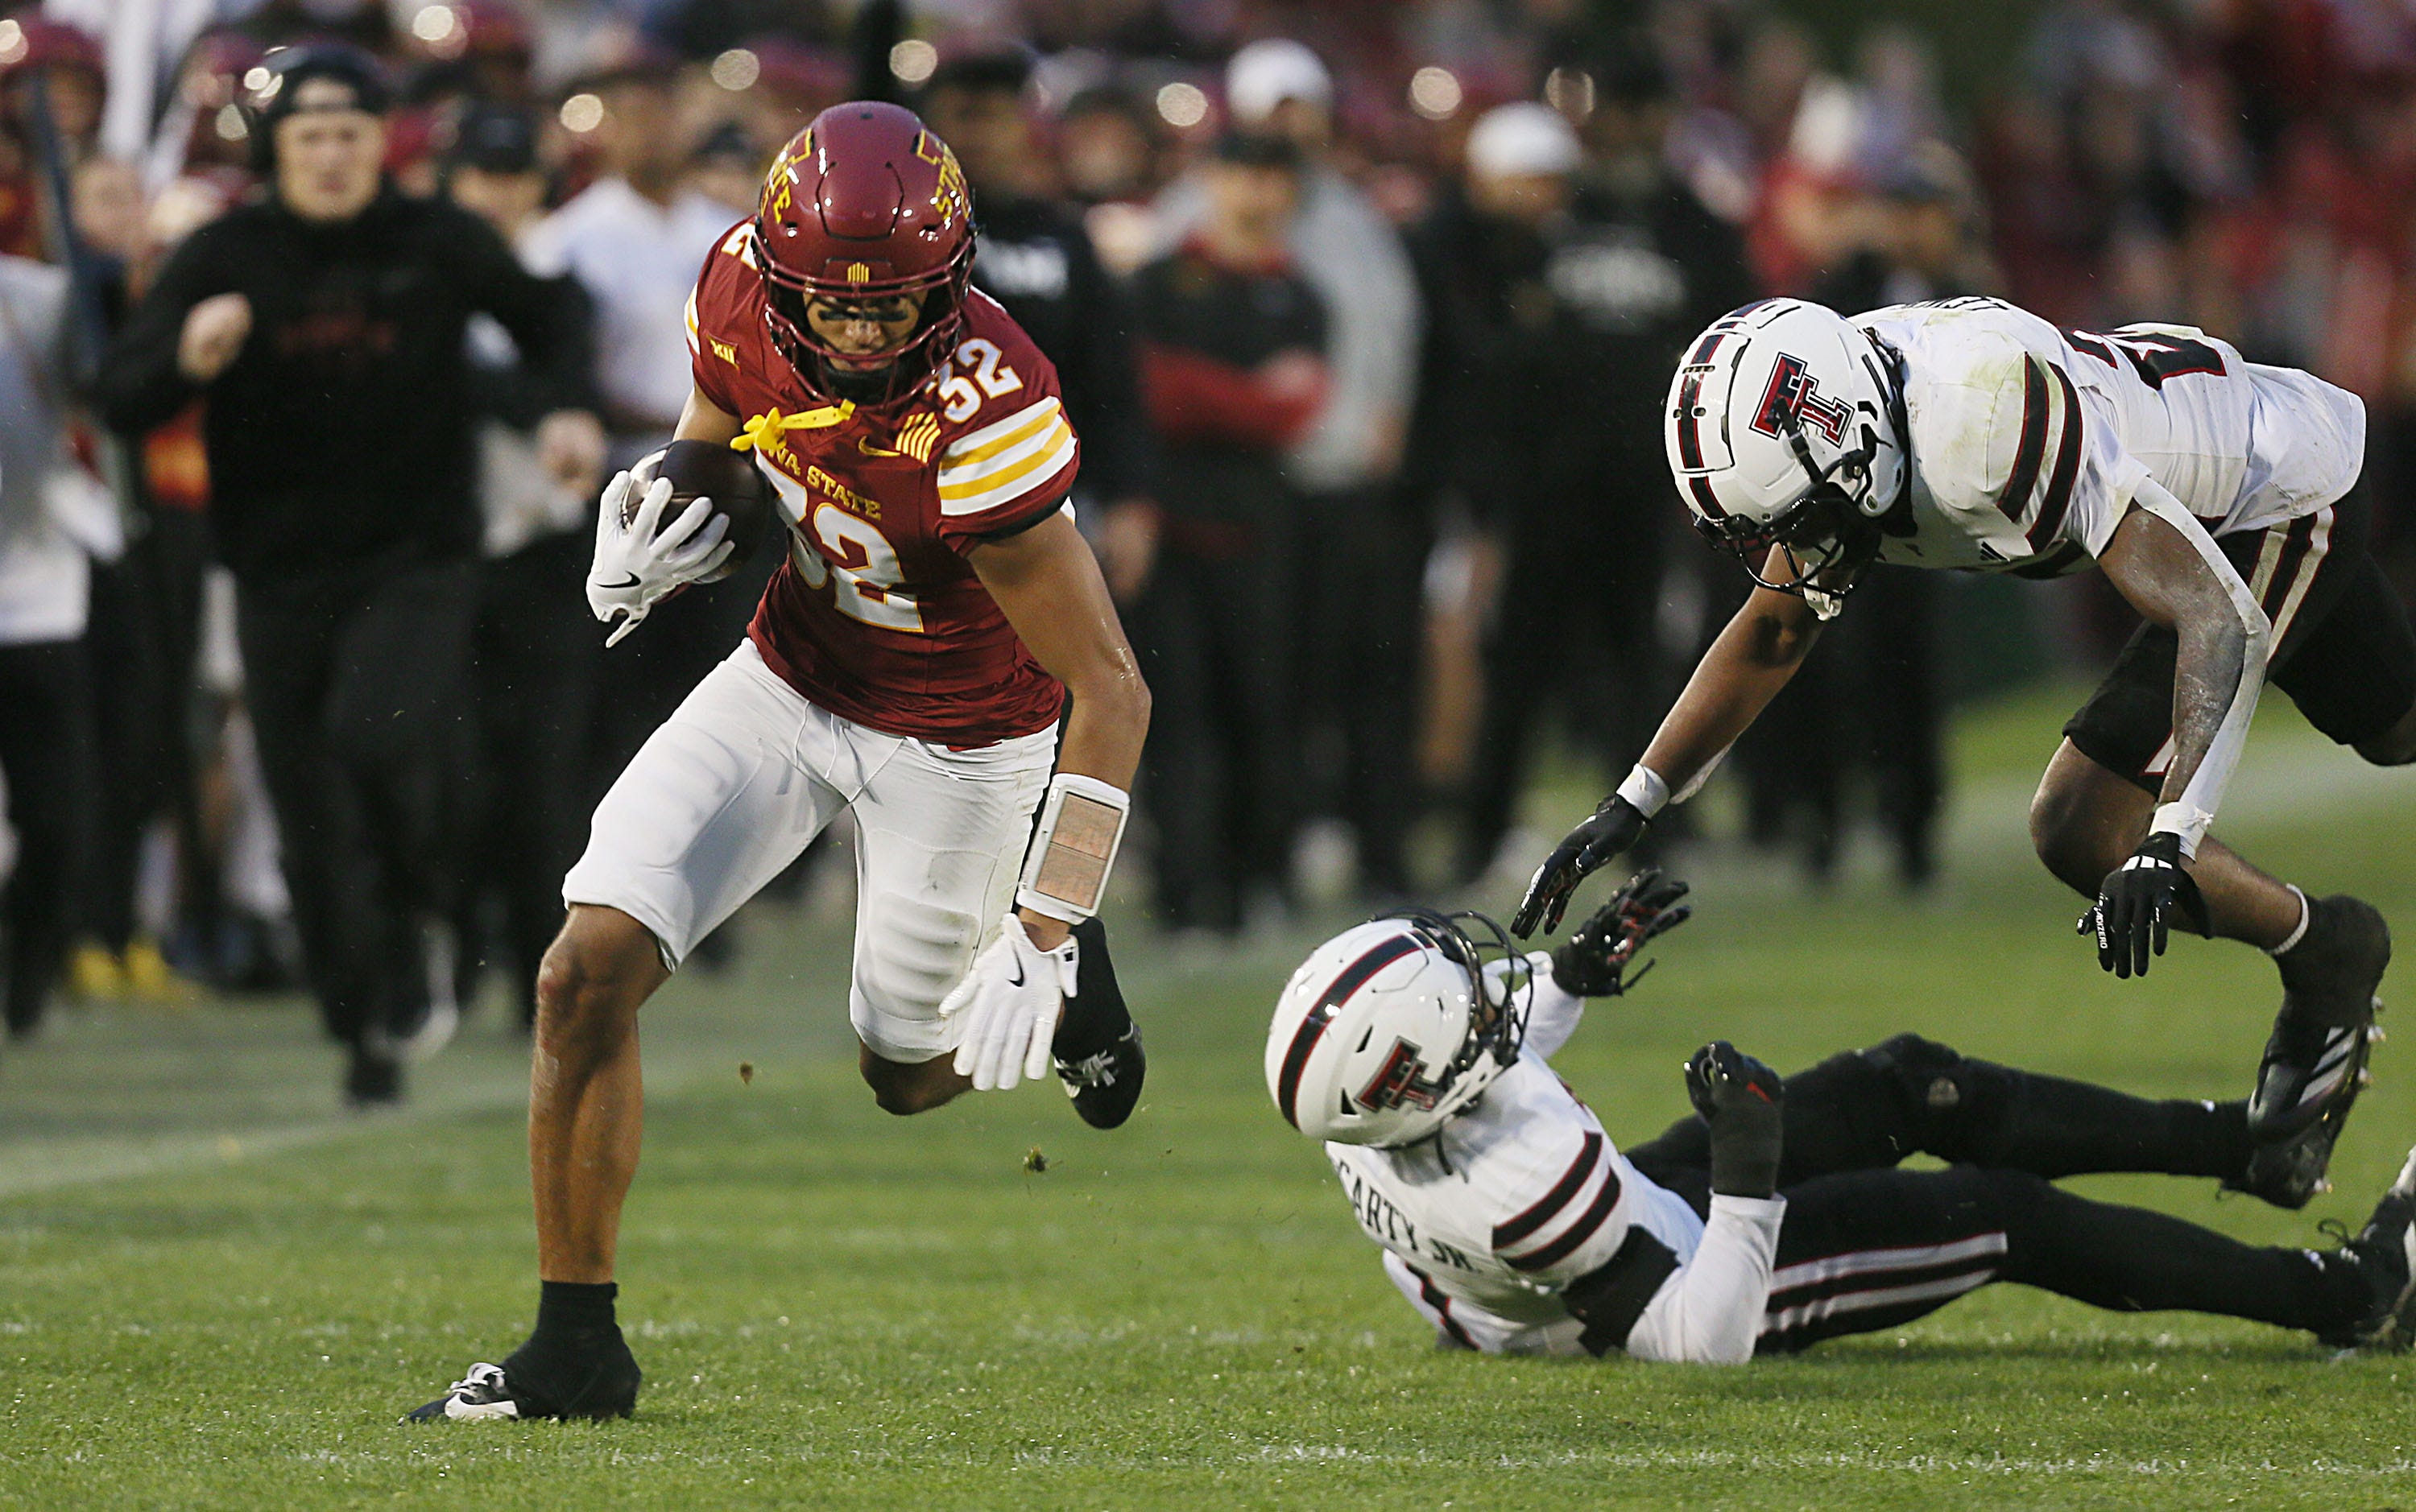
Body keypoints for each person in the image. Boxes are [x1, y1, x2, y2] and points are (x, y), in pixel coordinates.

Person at [406, 102, 1152, 1424]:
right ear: (779, 270)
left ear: (951, 283)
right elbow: (725, 430)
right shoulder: (738, 285)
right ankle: (575, 1346)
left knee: (906, 1072)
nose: (863, 335)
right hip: (791, 672)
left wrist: (1053, 917)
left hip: (964, 737)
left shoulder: (990, 407)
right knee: (582, 970)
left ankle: (1073, 987)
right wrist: (671, 503)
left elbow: (1111, 688)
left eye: (893, 310)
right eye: (838, 309)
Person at [1513, 293, 2416, 1209]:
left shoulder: (1984, 422)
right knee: (2397, 733)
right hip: (2216, 501)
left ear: (1857, 434)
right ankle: (2327, 944)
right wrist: (1632, 803)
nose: (1792, 550)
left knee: (2081, 822)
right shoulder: (1837, 422)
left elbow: (2215, 618)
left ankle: (2325, 952)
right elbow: (1774, 633)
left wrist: (2171, 834)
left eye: (1798, 519)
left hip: (2270, 497)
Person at [1269, 873, 2416, 1361]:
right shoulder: (1522, 1188)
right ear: (1424, 1090)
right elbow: (1692, 1340)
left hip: (1595, 1236)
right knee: (1999, 1215)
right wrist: (1749, 1167)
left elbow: (1479, 1053)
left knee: (1905, 1082)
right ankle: (2350, 1296)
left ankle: (2254, 1148)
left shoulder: (1371, 1110)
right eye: (1463, 1000)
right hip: (1673, 1280)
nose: (1488, 990)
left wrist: (1564, 978)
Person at [93, 44, 598, 1105]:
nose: (329, 155)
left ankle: (423, 907)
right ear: (277, 148)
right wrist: (187, 352)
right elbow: (119, 390)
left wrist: (563, 407)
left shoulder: (438, 238)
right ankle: (359, 1017)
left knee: (378, 733)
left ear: (384, 143)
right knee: (305, 801)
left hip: (416, 552)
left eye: (350, 135)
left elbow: (553, 319)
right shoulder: (224, 251)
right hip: (276, 567)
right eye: (309, 136)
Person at [1413, 87, 1752, 884]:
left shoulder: (1649, 227)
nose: (1545, 195)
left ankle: (1656, 833)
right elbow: (1475, 368)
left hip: (1632, 492)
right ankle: (1482, 831)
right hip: (1537, 497)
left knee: (1639, 670)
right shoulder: (1478, 250)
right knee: (1522, 675)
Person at [1159, 39, 1424, 897]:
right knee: (1214, 691)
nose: (1286, 131)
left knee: (1321, 681)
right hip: (1209, 491)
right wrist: (1244, 398)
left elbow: (1383, 340)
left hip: (1332, 480)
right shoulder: (1180, 226)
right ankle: (1219, 866)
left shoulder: (1348, 227)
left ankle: (1309, 848)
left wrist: (1378, 418)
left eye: (1298, 108)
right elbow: (1151, 373)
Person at [1127, 131, 1326, 934]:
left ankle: (1250, 884)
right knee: (1174, 716)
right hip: (1169, 528)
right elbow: (1148, 393)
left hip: (1262, 530)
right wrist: (1244, 394)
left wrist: (1198, 389)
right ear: (1211, 182)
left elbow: (1296, 412)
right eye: (1246, 173)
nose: (1259, 192)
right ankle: (1184, 892)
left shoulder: (1303, 295)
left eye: (1275, 175)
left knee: (1260, 711)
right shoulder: (1157, 282)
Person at [916, 50, 1158, 607]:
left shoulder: (1062, 237)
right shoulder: (898, 230)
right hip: (915, 489)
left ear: (1025, 125)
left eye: (993, 115)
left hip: (1041, 493)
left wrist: (1129, 499)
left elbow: (1111, 379)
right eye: (962, 115)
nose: (977, 135)